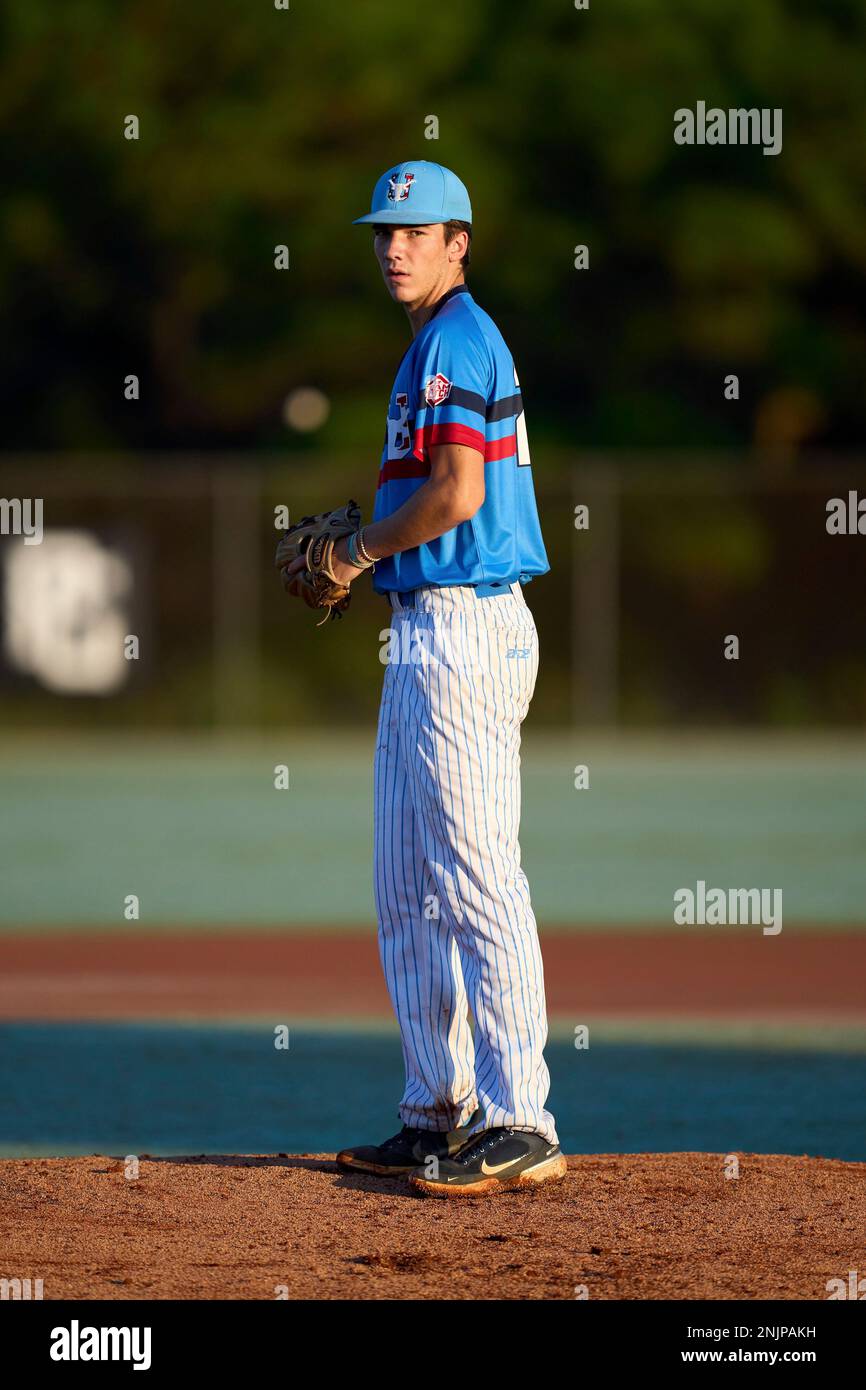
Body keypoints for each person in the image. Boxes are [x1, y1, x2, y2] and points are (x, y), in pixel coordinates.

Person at [286, 160, 564, 1196]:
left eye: (417, 229)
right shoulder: (428, 348)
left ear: (460, 241)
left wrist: (356, 552)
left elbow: (456, 495)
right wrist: (373, 556)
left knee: (477, 873)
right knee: (405, 883)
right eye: (382, 231)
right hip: (421, 630)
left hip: (464, 624)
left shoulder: (456, 338)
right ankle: (435, 1107)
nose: (394, 246)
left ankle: (518, 1116)